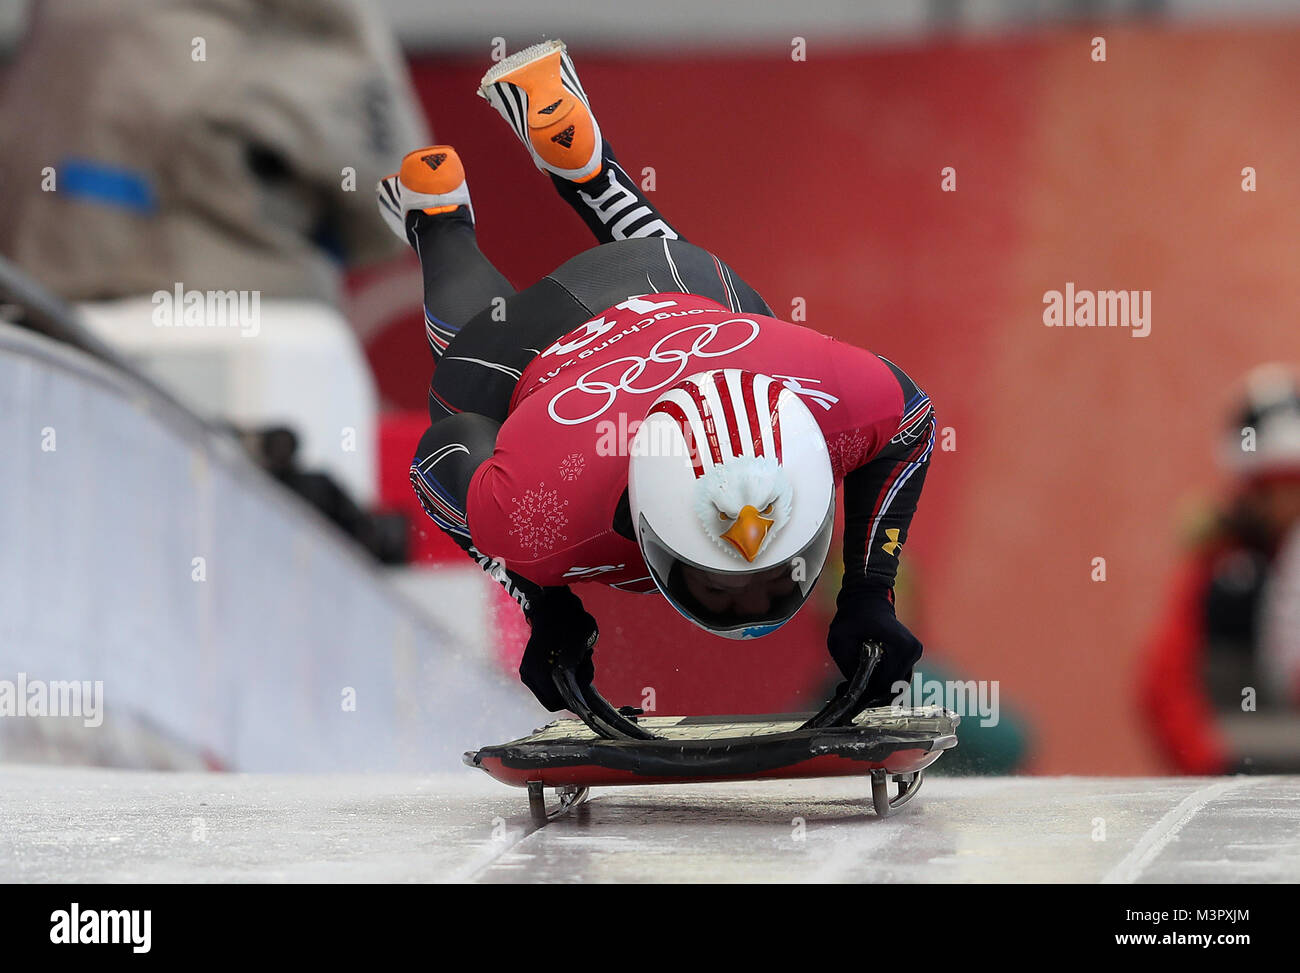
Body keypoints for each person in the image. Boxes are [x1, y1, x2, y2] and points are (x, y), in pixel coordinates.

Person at [378, 40, 935, 712]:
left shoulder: (837, 399)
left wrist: (548, 613)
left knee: (740, 309)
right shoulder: (538, 512)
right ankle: (443, 220)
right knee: (466, 393)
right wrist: (539, 593)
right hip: (540, 343)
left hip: (677, 282)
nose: (748, 600)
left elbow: (911, 420)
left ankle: (547, 181)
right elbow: (438, 456)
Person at [1139, 364, 1300, 773]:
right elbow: (1164, 681)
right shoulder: (1217, 566)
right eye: (1275, 486)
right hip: (1234, 791)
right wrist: (1208, 767)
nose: (1289, 502)